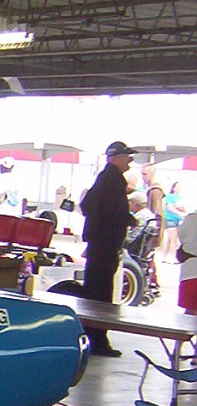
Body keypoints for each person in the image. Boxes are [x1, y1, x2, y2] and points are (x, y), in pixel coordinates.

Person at [79, 141, 137, 357]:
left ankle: (93, 338)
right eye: (127, 157)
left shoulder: (106, 178)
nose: (129, 162)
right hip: (105, 246)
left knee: (95, 292)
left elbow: (88, 205)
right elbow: (109, 211)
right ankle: (98, 341)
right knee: (100, 295)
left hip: (99, 245)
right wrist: (127, 219)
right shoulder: (112, 179)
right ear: (116, 157)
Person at [177, 209, 197, 315]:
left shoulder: (191, 217)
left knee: (190, 315)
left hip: (191, 271)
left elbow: (182, 236)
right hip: (191, 268)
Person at [161, 181, 187, 262]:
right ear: (173, 188)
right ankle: (172, 257)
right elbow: (170, 208)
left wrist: (186, 214)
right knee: (173, 239)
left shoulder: (179, 198)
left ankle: (164, 257)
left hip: (177, 220)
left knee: (169, 240)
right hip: (170, 219)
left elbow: (182, 208)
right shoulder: (170, 197)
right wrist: (180, 214)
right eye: (177, 186)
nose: (179, 188)